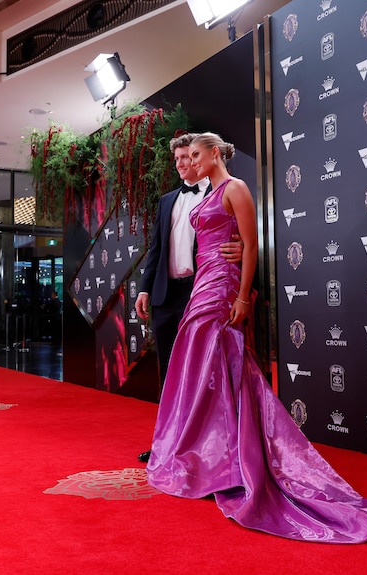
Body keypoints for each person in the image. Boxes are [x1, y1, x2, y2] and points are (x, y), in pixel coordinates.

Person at [146, 133, 367, 543]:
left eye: (196, 154)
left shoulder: (236, 188)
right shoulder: (205, 195)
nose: (191, 161)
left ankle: (234, 458)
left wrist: (244, 296)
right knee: (206, 364)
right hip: (204, 282)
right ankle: (212, 453)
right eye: (187, 156)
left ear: (214, 154)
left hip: (225, 287)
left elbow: (250, 244)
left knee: (219, 359)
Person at [134, 130, 243, 462]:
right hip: (167, 296)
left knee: (205, 371)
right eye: (179, 159)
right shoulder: (167, 200)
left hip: (203, 292)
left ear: (203, 157)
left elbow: (245, 238)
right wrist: (144, 287)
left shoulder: (222, 192)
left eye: (189, 156)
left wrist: (239, 247)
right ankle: (167, 444)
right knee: (169, 371)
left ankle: (208, 449)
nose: (183, 163)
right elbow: (156, 250)